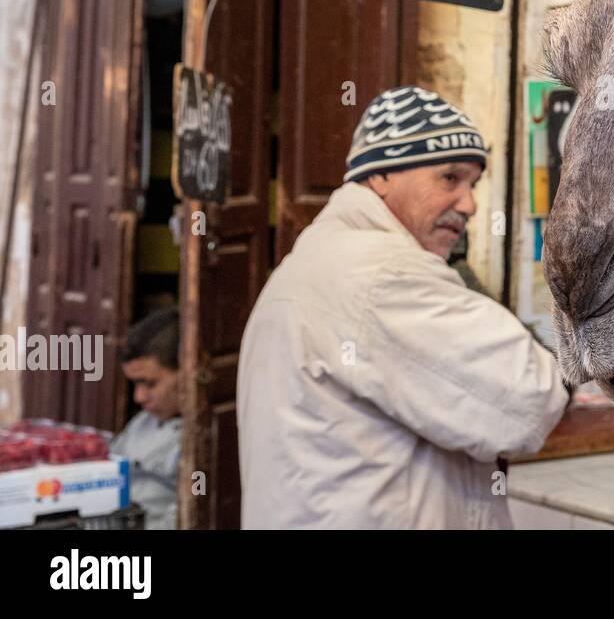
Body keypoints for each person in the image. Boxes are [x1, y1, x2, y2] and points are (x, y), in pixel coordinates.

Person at [237, 87, 568, 528]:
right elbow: (529, 398)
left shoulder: (317, 259)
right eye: (450, 178)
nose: (469, 204)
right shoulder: (384, 274)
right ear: (381, 177)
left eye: (473, 184)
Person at [111, 308, 182, 529]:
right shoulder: (141, 424)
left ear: (186, 372)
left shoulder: (201, 446)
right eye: (135, 384)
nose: (138, 397)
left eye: (150, 384)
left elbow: (199, 496)